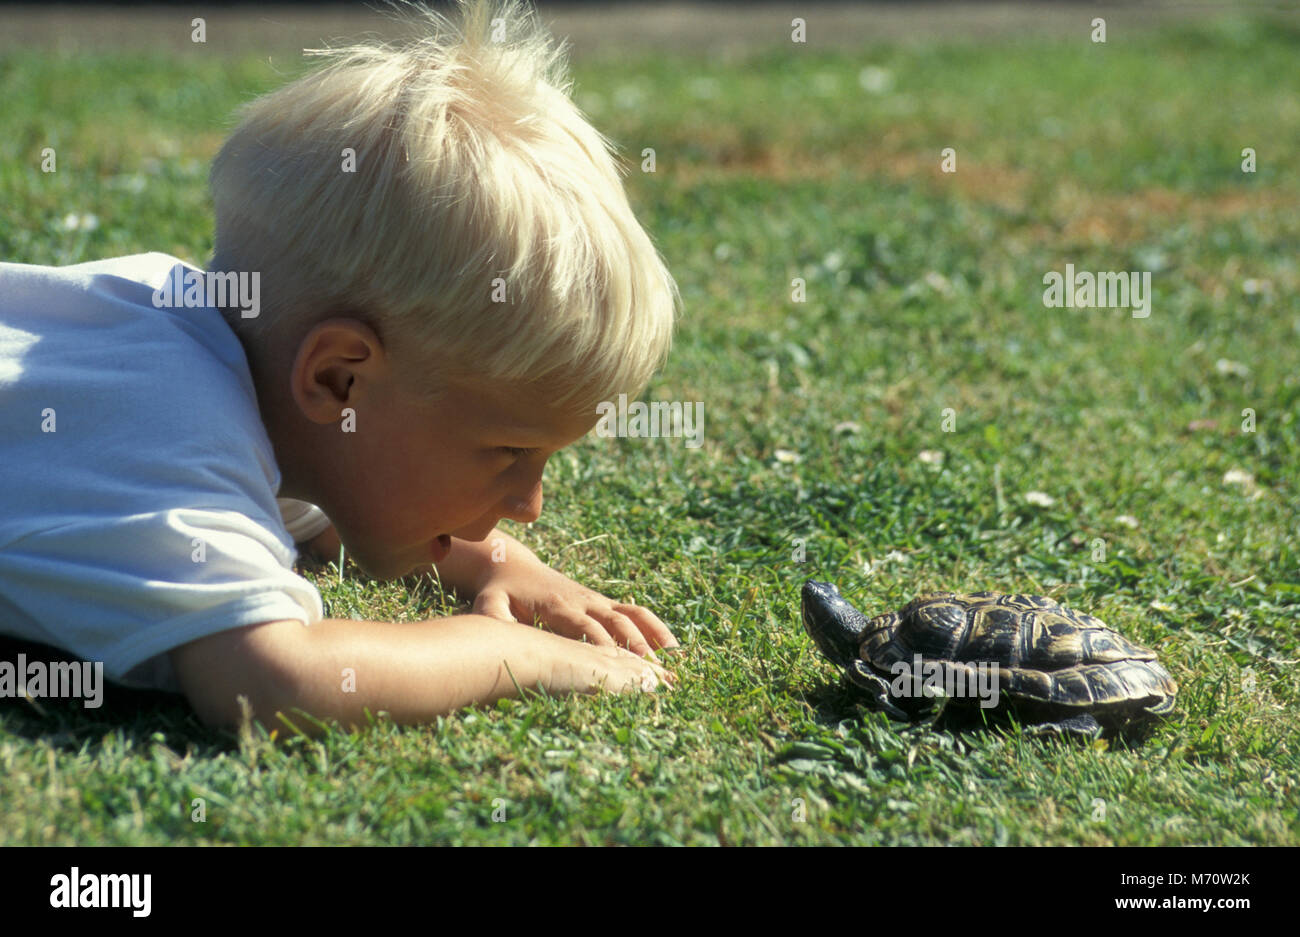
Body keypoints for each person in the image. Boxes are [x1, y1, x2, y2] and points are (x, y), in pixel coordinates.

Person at [0, 0, 681, 735]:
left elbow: (315, 510)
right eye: (511, 450)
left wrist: (494, 564)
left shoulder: (188, 342)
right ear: (338, 380)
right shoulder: (172, 431)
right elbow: (270, 680)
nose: (530, 503)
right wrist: (504, 652)